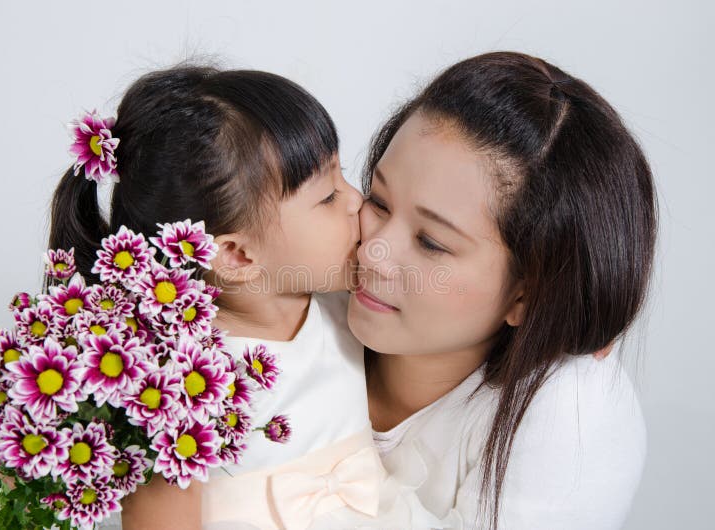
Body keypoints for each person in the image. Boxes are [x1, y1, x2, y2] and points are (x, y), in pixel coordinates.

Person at [49, 63, 431, 530]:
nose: (356, 200)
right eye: (328, 196)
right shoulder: (185, 381)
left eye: (342, 175)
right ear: (236, 254)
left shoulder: (347, 311)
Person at [347, 51, 656, 530]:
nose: (372, 252)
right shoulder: (305, 286)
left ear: (527, 295)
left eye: (431, 242)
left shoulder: (569, 415)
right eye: (379, 201)